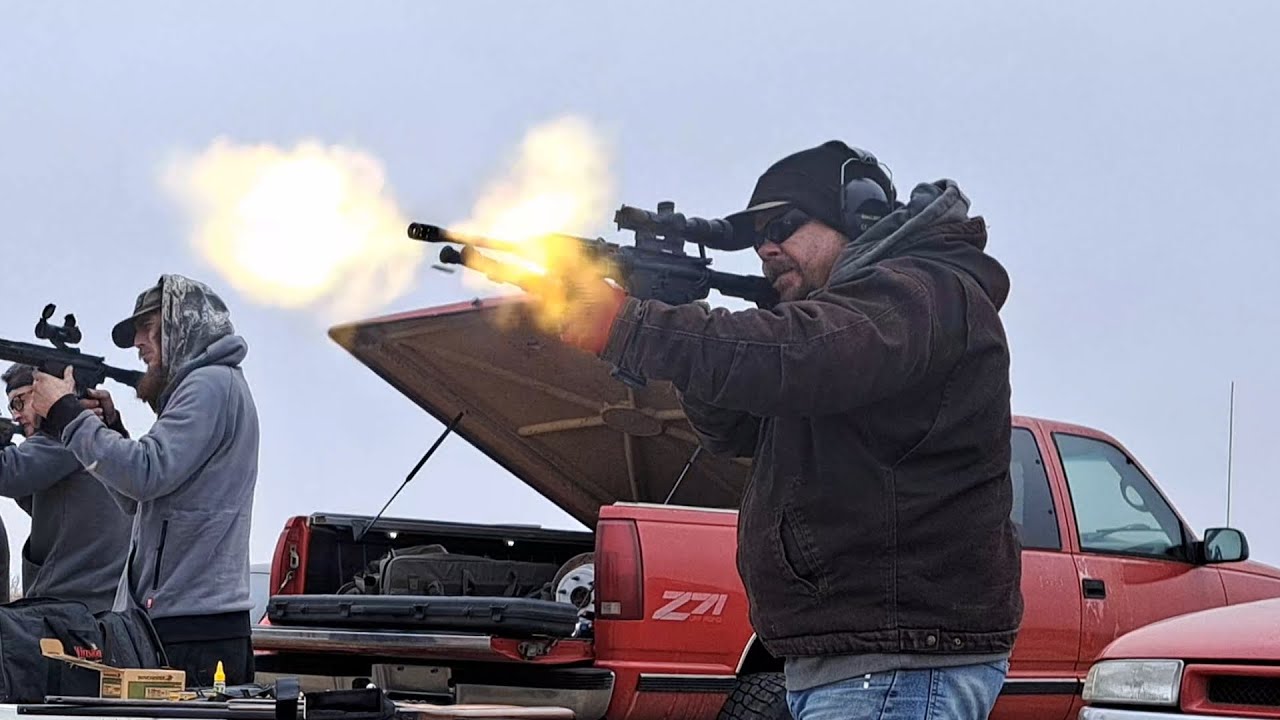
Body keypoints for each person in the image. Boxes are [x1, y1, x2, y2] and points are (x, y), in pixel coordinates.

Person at [557, 141, 1023, 719]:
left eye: (783, 225)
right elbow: (734, 428)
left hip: (897, 662)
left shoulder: (918, 292)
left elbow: (795, 352)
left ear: (858, 214)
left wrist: (632, 324)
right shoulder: (861, 320)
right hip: (861, 660)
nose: (765, 248)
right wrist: (666, 310)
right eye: (756, 236)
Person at [28, 274, 260, 689]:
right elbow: (139, 497)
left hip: (192, 623)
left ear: (183, 323)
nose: (138, 344)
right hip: (182, 617)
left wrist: (65, 414)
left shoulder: (208, 384)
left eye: (147, 329)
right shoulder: (209, 387)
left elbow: (146, 475)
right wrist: (111, 432)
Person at [0, 363, 132, 612]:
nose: (15, 415)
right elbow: (45, 502)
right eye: (11, 406)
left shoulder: (63, 438)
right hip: (98, 606)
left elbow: (8, 474)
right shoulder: (96, 437)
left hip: (69, 607)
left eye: (20, 401)